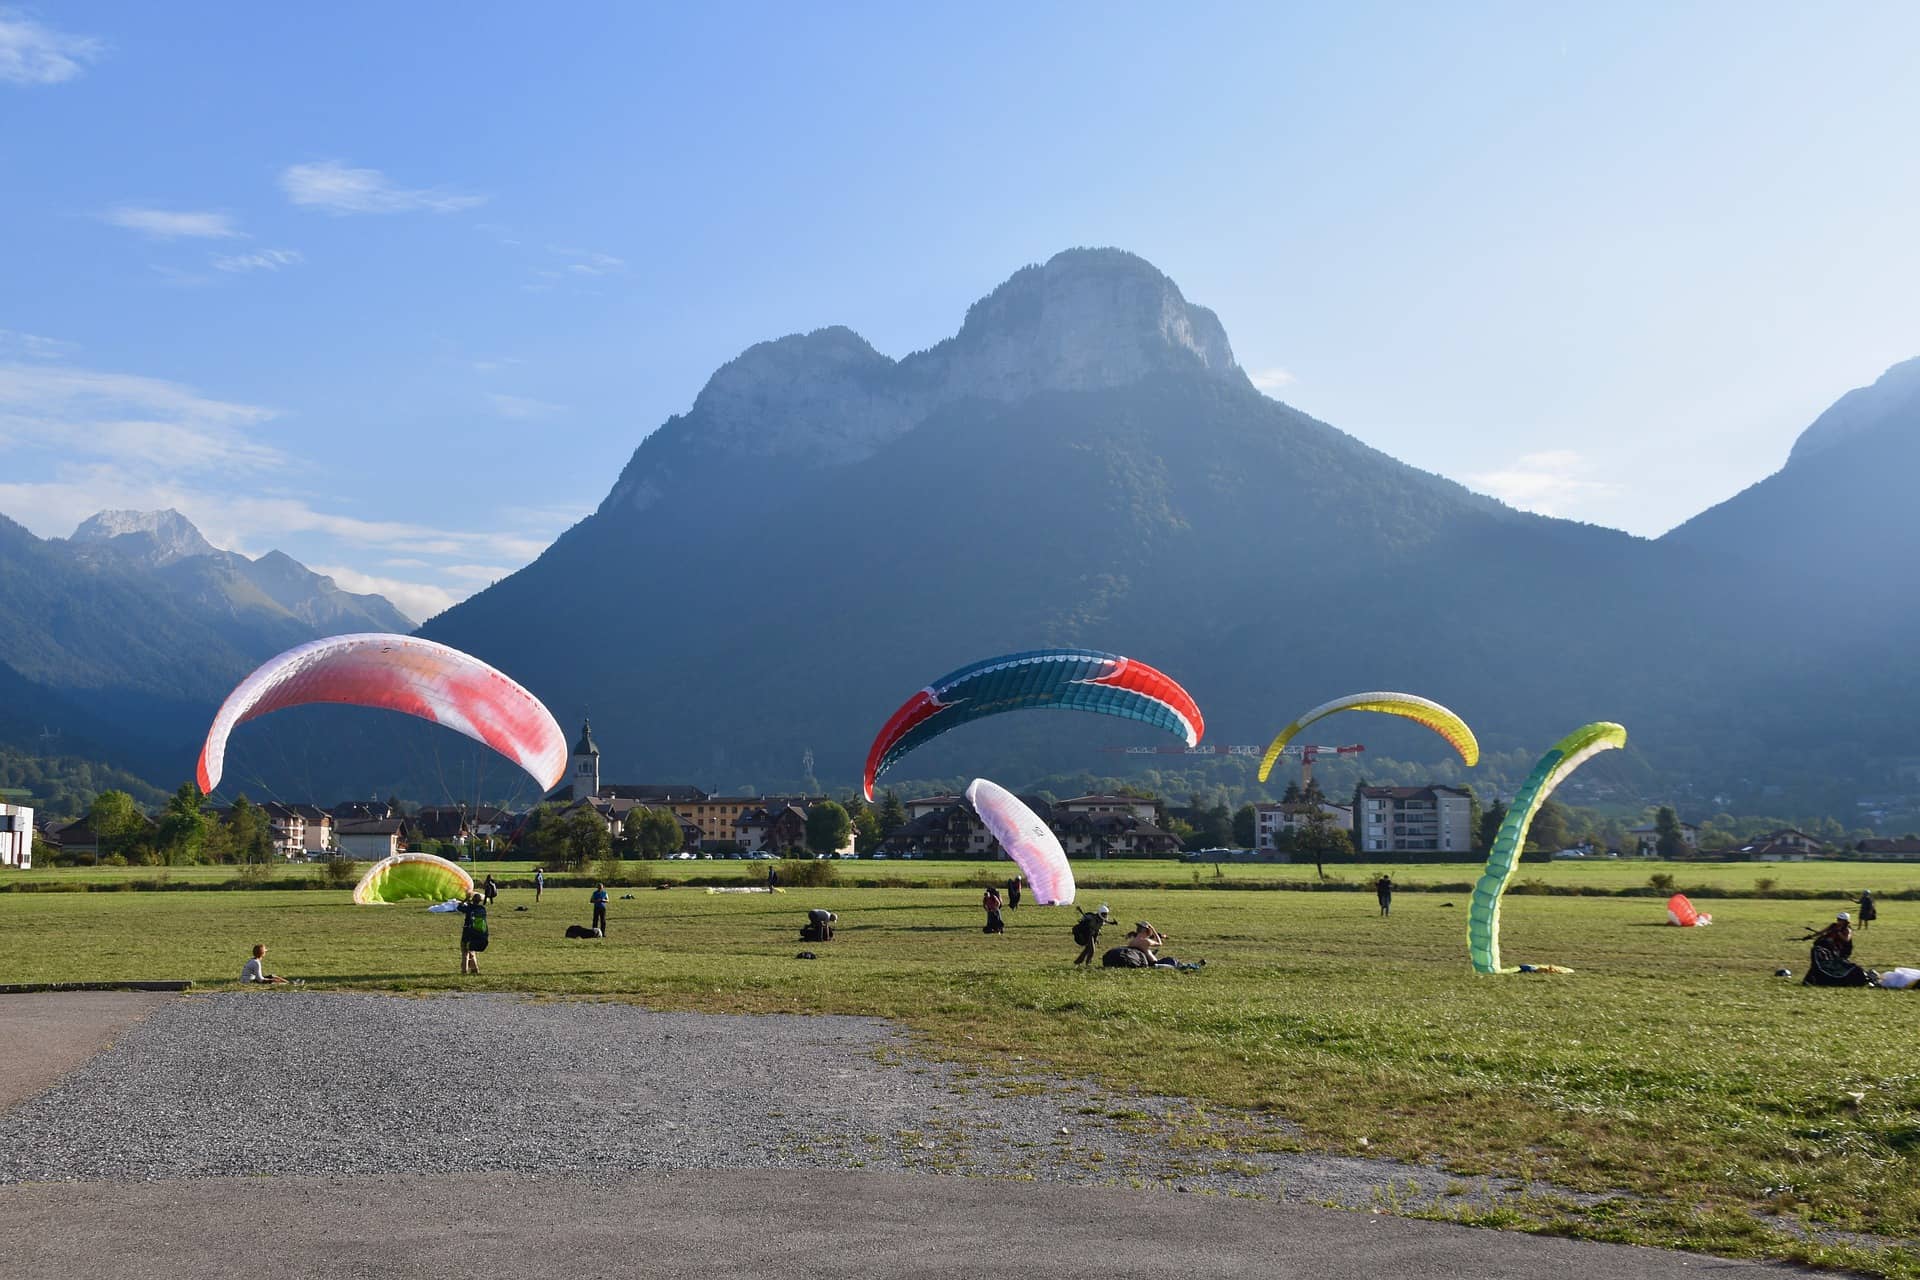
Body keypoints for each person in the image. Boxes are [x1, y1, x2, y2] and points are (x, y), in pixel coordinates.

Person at [1803, 912, 1872, 987]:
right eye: (1838, 919)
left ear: (1846, 921)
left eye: (1841, 920)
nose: (1839, 921)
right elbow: (1822, 932)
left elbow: (1846, 940)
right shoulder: (1833, 926)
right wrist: (1811, 936)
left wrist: (1838, 932)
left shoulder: (1847, 930)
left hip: (1841, 951)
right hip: (1830, 949)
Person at [1123, 920, 1204, 971]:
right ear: (1146, 930)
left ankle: (1194, 966)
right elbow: (1159, 943)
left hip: (1145, 962)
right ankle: (1195, 966)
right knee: (1172, 961)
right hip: (1154, 964)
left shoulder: (1132, 941)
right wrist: (1153, 929)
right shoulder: (1146, 941)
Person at [456, 892, 488, 974]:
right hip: (477, 933)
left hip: (468, 932)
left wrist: (465, 900)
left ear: (472, 900)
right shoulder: (482, 909)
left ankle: (464, 970)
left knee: (465, 951)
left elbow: (459, 907)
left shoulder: (469, 908)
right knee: (471, 950)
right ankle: (475, 969)